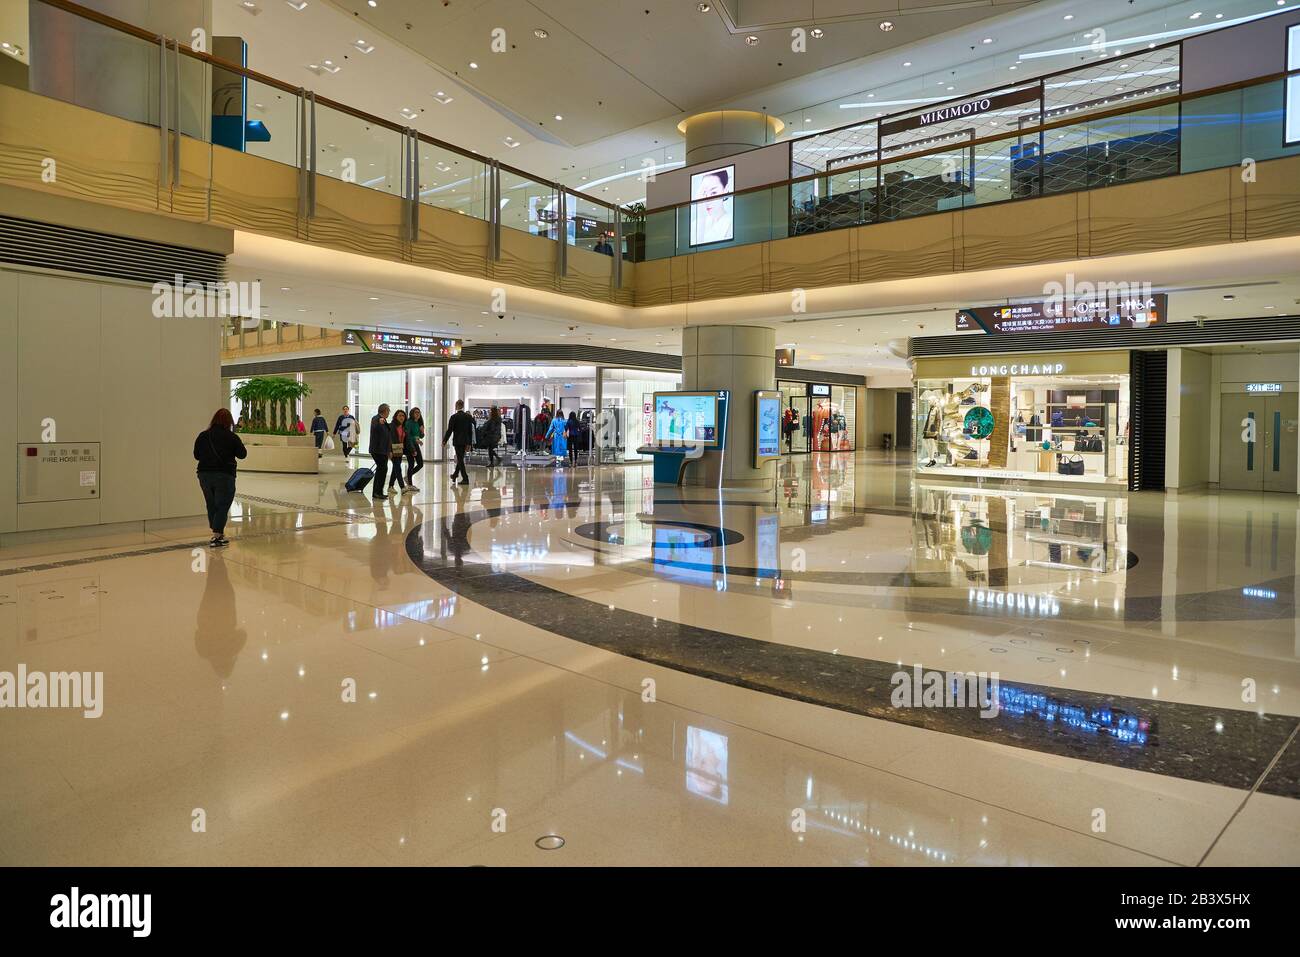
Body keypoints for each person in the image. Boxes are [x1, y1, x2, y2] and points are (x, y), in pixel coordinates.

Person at [193, 408, 247, 548]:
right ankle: (217, 535)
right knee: (222, 504)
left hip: (204, 475)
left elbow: (196, 455)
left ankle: (217, 531)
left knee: (211, 503)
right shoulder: (232, 437)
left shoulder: (203, 435)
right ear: (229, 422)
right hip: (224, 475)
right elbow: (242, 454)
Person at [443, 399, 475, 485]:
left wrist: (444, 440)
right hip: (466, 441)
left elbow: (450, 430)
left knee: (460, 459)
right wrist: (470, 444)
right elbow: (470, 431)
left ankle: (465, 478)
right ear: (463, 406)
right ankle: (455, 475)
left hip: (457, 441)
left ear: (456, 406)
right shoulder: (468, 417)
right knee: (460, 458)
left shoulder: (454, 417)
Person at [368, 404, 392, 501]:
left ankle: (378, 492)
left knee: (382, 470)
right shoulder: (376, 418)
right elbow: (375, 426)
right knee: (382, 470)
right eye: (388, 411)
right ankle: (377, 492)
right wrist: (379, 422)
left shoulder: (383, 420)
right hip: (378, 450)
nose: (389, 413)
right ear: (385, 410)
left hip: (383, 450)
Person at [387, 409, 409, 494]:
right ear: (396, 416)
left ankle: (390, 486)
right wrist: (390, 451)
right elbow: (390, 439)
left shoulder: (403, 427)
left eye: (403, 415)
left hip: (400, 449)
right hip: (393, 449)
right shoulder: (392, 426)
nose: (401, 417)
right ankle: (402, 487)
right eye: (399, 415)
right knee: (398, 468)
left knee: (395, 468)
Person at [405, 407, 425, 490]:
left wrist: (422, 431)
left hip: (415, 444)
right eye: (416, 412)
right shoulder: (409, 422)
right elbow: (408, 436)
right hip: (409, 444)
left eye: (419, 413)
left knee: (420, 464)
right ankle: (410, 484)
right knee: (411, 464)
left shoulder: (418, 423)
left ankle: (408, 477)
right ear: (412, 413)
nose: (417, 414)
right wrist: (415, 440)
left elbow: (421, 436)